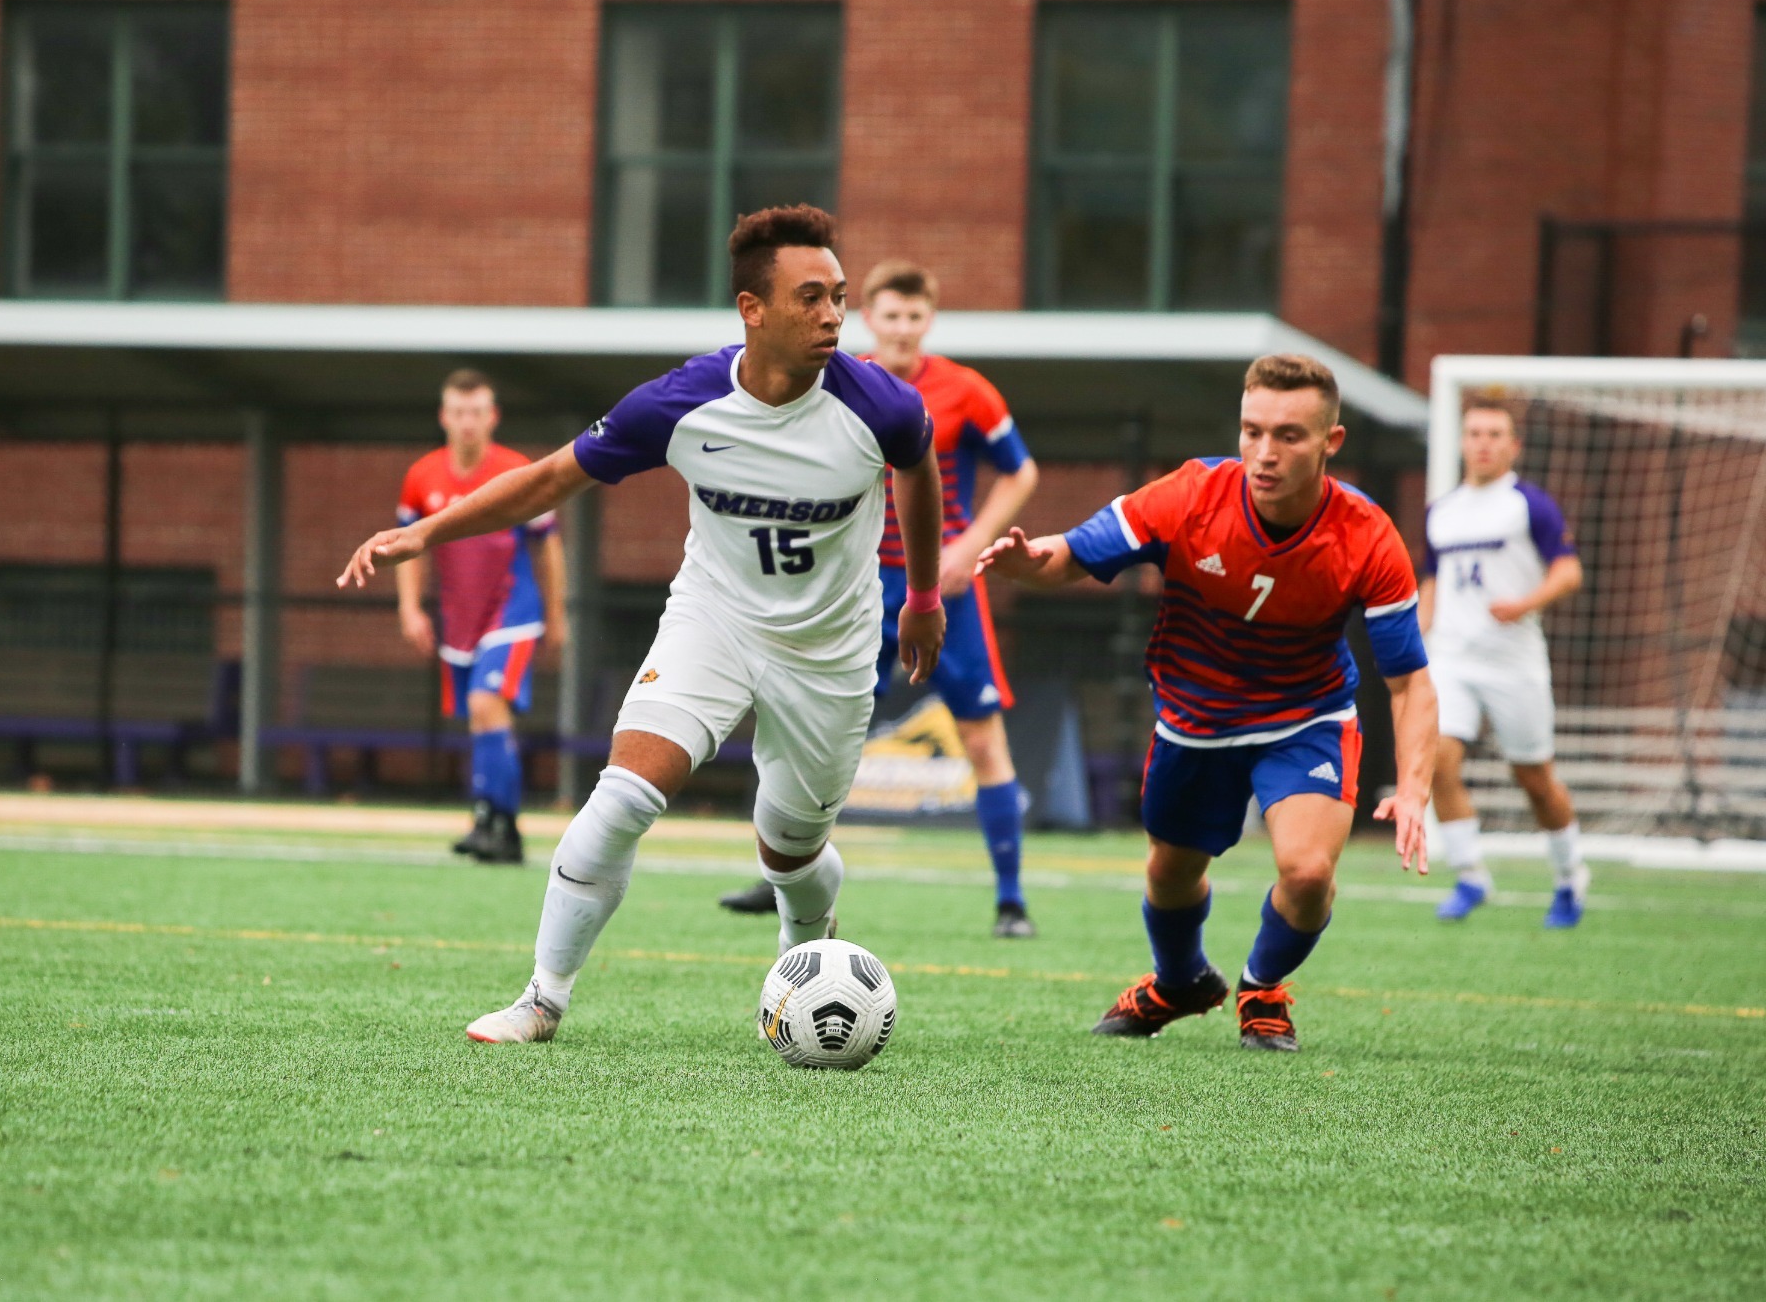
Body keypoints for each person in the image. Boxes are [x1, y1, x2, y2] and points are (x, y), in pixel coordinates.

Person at [339, 205, 945, 1043]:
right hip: (715, 622)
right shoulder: (683, 402)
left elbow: (919, 468)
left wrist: (921, 596)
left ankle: (805, 954)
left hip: (830, 647)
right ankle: (543, 999)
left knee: (789, 850)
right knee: (619, 800)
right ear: (752, 309)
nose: (835, 315)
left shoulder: (881, 403)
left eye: (840, 296)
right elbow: (552, 479)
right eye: (812, 297)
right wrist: (426, 531)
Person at [976, 354, 1437, 1053]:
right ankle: (1180, 979)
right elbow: (1070, 552)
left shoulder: (1368, 537)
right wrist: (1027, 562)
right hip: (1195, 715)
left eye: (1289, 435)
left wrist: (1412, 787)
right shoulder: (1191, 494)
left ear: (1330, 443)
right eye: (1253, 431)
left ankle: (1262, 986)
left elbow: (1409, 680)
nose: (1265, 451)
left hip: (1305, 716)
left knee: (1309, 872)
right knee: (1170, 870)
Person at [716, 259, 1041, 937]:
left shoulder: (968, 391)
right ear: (868, 317)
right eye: (889, 315)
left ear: (929, 319)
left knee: (981, 738)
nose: (901, 328)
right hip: (855, 586)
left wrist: (968, 545)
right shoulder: (840, 381)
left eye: (914, 316)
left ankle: (1011, 900)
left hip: (942, 588)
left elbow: (1022, 472)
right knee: (807, 728)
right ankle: (782, 873)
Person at [1420, 401, 1587, 927]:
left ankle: (1569, 876)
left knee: (1534, 778)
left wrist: (1525, 603)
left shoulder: (1529, 505)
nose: (1483, 442)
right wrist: (1415, 643)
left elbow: (1568, 571)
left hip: (1514, 661)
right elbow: (1431, 583)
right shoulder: (1440, 511)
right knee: (1437, 762)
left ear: (1513, 445)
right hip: (1452, 657)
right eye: (1474, 432)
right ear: (1462, 441)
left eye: (1495, 433)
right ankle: (1470, 875)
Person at [394, 370, 567, 866]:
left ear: (492, 418)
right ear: (443, 417)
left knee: (487, 701)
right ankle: (497, 828)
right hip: (459, 618)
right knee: (480, 717)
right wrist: (409, 608)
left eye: (477, 412)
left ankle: (496, 820)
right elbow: (411, 547)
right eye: (458, 412)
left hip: (514, 610)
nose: (467, 422)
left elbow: (549, 543)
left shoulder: (516, 471)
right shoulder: (422, 476)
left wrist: (557, 614)